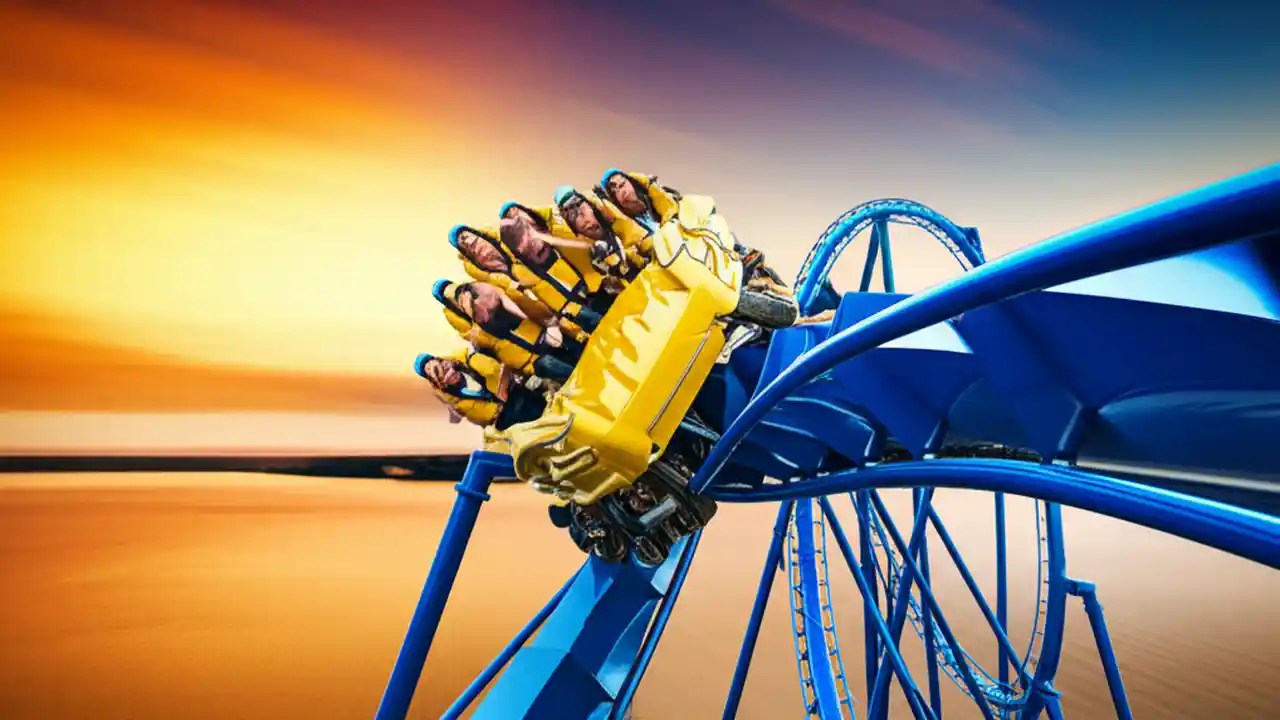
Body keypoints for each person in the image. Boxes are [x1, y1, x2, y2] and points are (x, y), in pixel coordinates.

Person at [454, 280, 585, 382]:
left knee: (579, 350)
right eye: (472, 307)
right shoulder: (480, 335)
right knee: (560, 369)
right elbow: (501, 361)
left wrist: (552, 323)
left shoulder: (507, 296)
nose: (479, 306)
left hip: (547, 334)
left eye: (476, 299)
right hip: (535, 361)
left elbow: (535, 308)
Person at [497, 217, 608, 330]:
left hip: (592, 289)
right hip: (574, 312)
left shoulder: (554, 238)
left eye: (527, 231)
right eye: (520, 237)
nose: (531, 239)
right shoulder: (520, 272)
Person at [413, 349, 547, 430]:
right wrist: (496, 411)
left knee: (536, 405)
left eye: (447, 368)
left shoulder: (471, 360)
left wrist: (506, 382)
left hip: (515, 392)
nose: (450, 374)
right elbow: (478, 415)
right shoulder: (455, 399)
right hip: (504, 417)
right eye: (444, 377)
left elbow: (496, 368)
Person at [554, 185, 650, 282]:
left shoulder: (619, 227)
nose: (583, 218)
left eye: (581, 206)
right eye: (573, 215)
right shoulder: (593, 258)